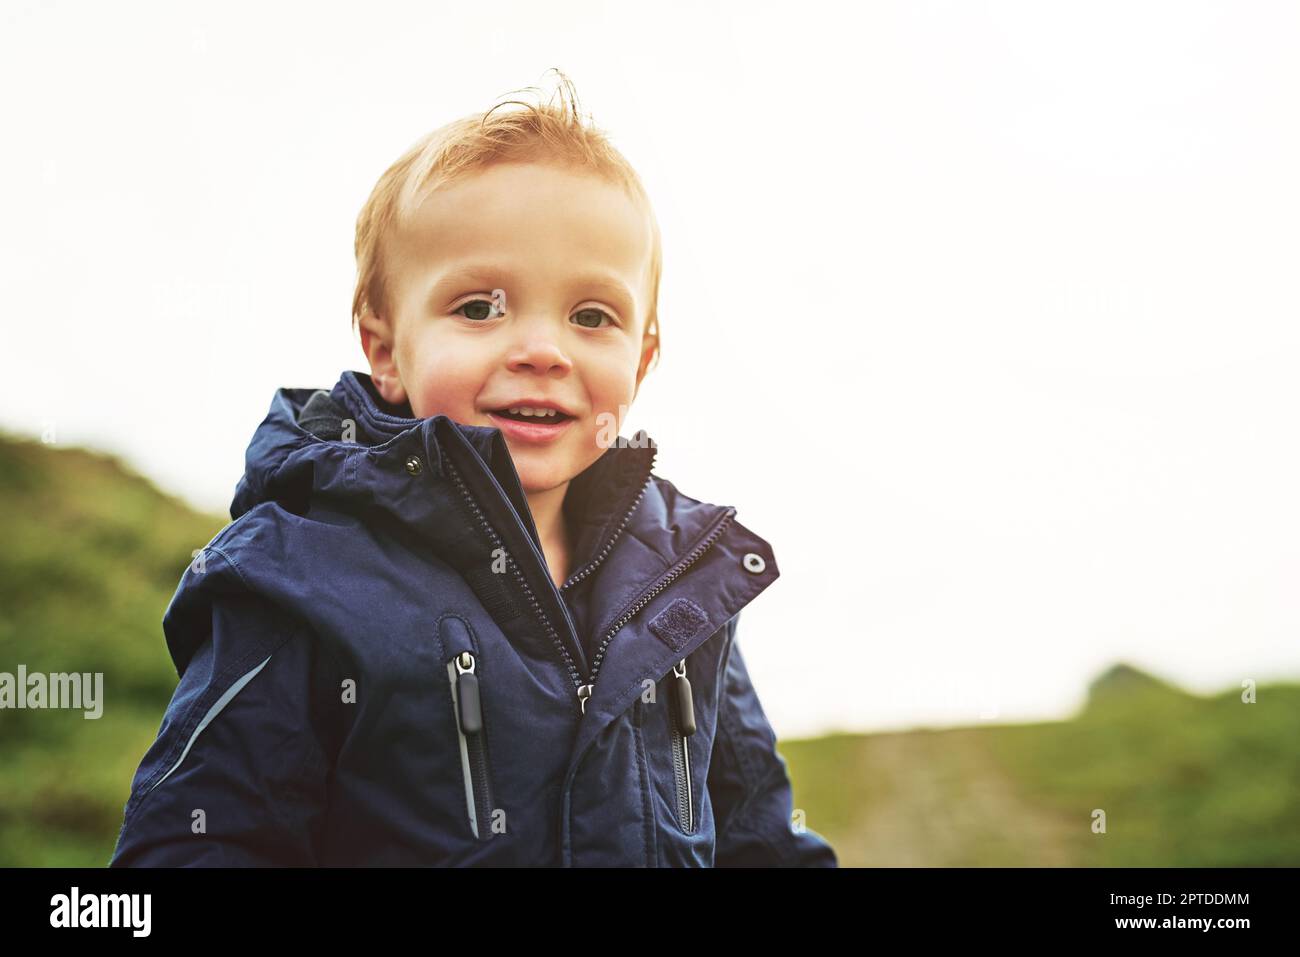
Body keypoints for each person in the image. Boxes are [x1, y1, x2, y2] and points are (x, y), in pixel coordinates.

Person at [109, 71, 838, 867]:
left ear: (644, 356)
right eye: (479, 308)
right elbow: (195, 843)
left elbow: (763, 841)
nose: (541, 350)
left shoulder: (681, 582)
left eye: (592, 316)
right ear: (386, 348)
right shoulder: (300, 577)